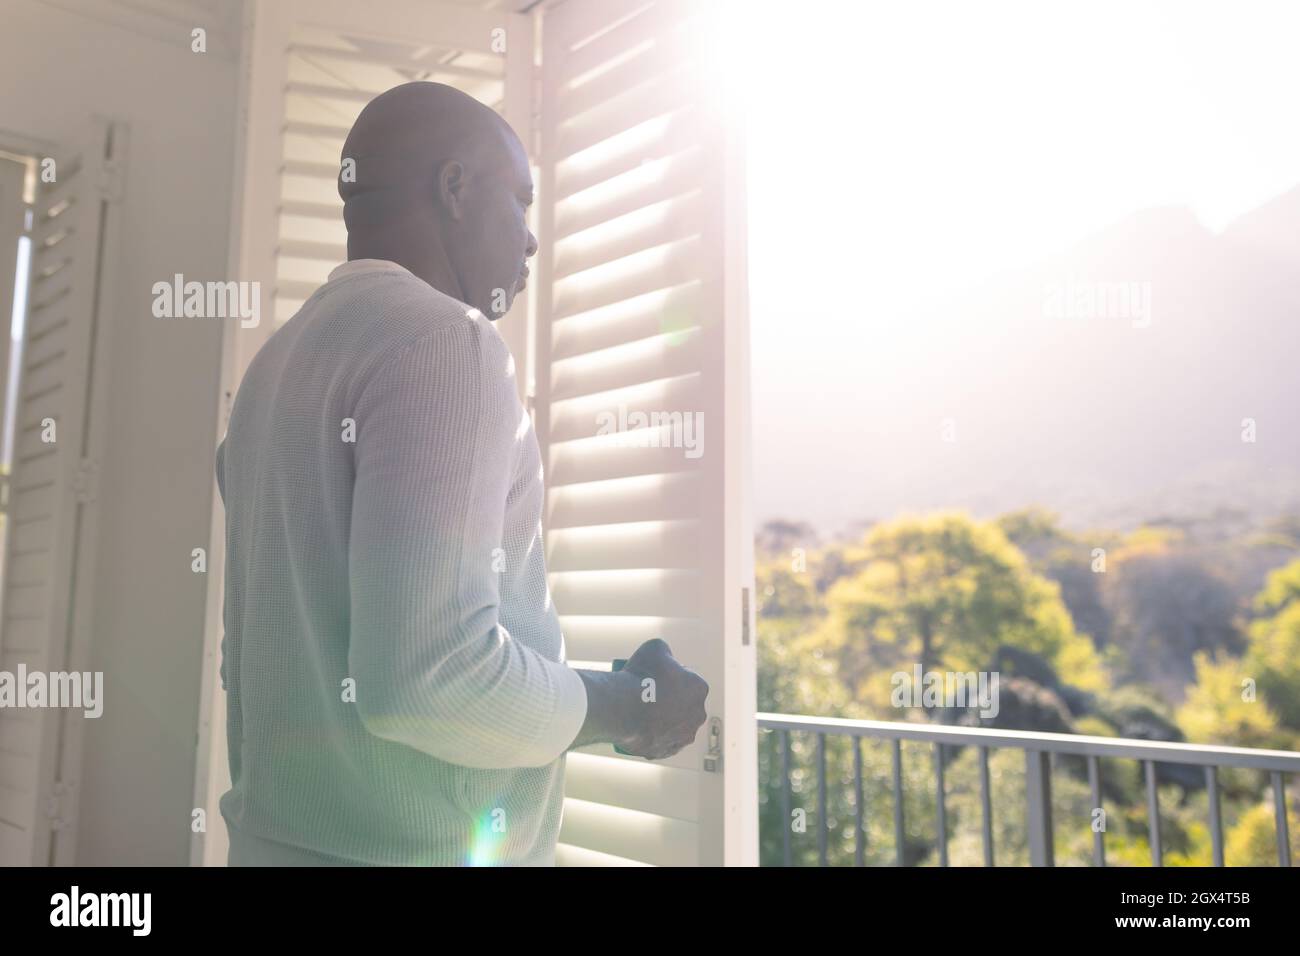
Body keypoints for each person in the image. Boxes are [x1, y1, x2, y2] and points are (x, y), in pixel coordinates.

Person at [215, 81, 708, 866]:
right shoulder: (446, 342)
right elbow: (428, 676)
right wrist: (630, 705)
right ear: (454, 189)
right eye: (520, 201)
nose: (531, 241)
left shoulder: (275, 369)